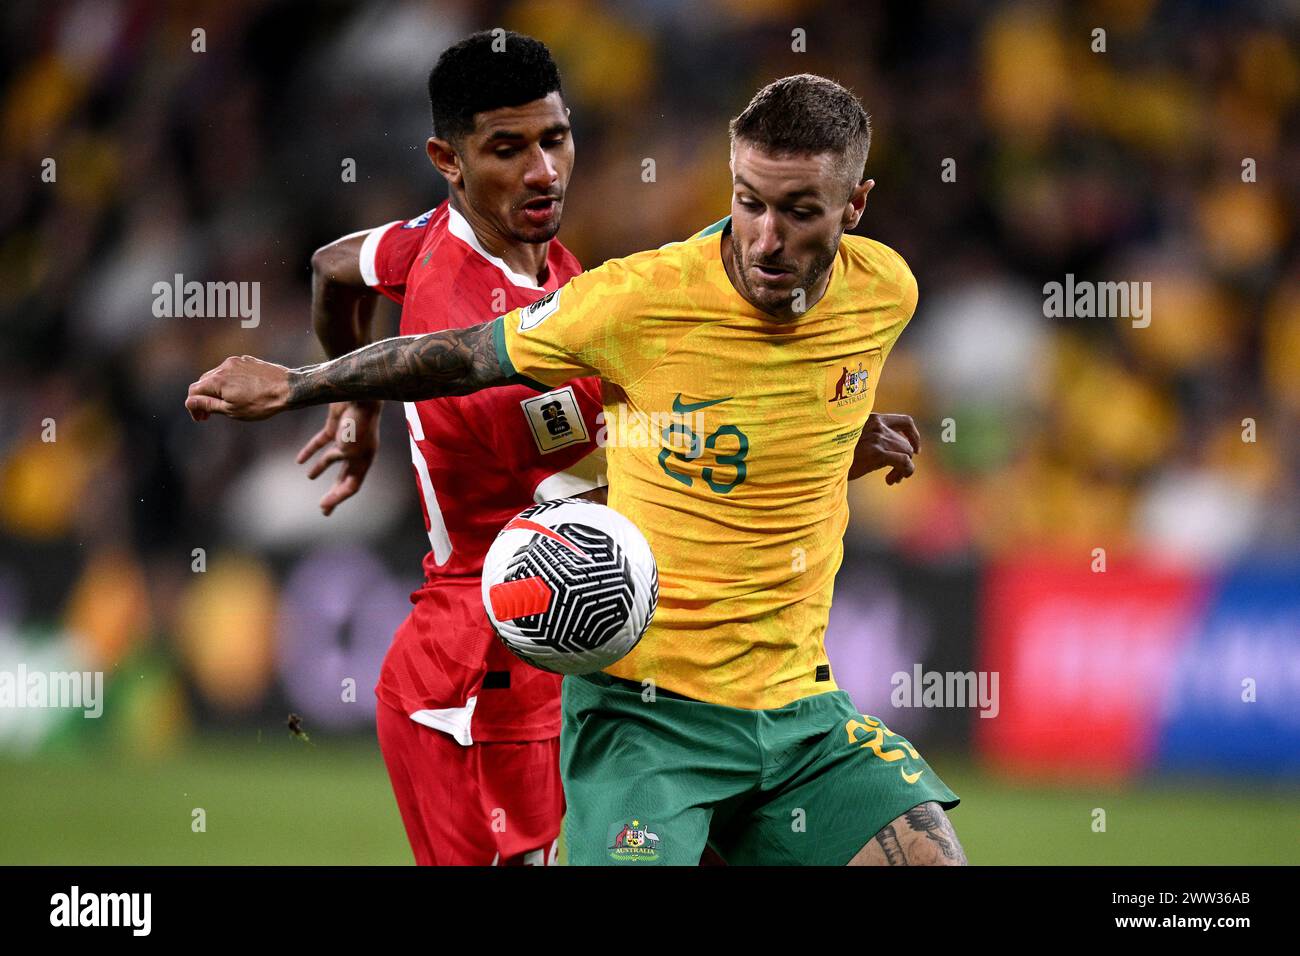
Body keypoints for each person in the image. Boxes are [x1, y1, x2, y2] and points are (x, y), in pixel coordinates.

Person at [186, 73, 961, 865]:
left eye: (799, 211)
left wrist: (837, 441)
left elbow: (772, 402)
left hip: (803, 714)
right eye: (748, 202)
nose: (766, 238)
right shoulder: (637, 300)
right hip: (648, 722)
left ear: (853, 207)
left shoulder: (884, 293)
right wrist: (301, 384)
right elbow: (464, 356)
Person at [298, 31, 607, 866]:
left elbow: (333, 268)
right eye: (508, 150)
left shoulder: (453, 234)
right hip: (481, 681)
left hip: (529, 656)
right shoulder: (468, 331)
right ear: (448, 159)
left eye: (555, 139)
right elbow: (611, 498)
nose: (543, 172)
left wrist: (358, 399)